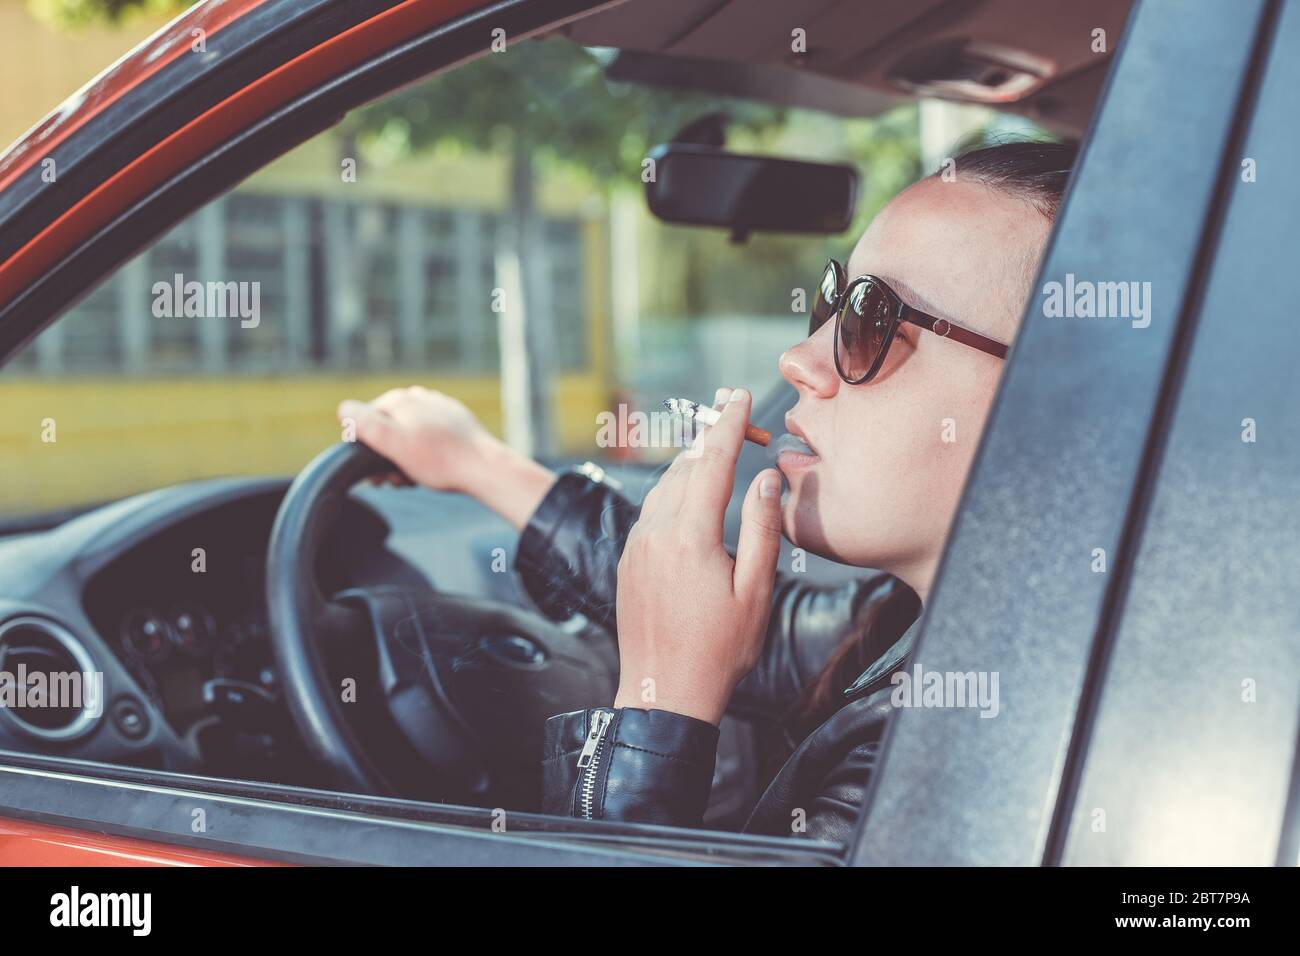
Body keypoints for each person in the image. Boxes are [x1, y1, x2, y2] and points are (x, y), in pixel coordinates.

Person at [338, 140, 1076, 842]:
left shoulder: (954, 758)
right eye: (833, 301)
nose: (797, 357)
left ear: (1053, 403)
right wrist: (475, 463)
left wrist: (659, 702)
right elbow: (788, 640)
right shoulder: (955, 625)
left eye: (871, 319)